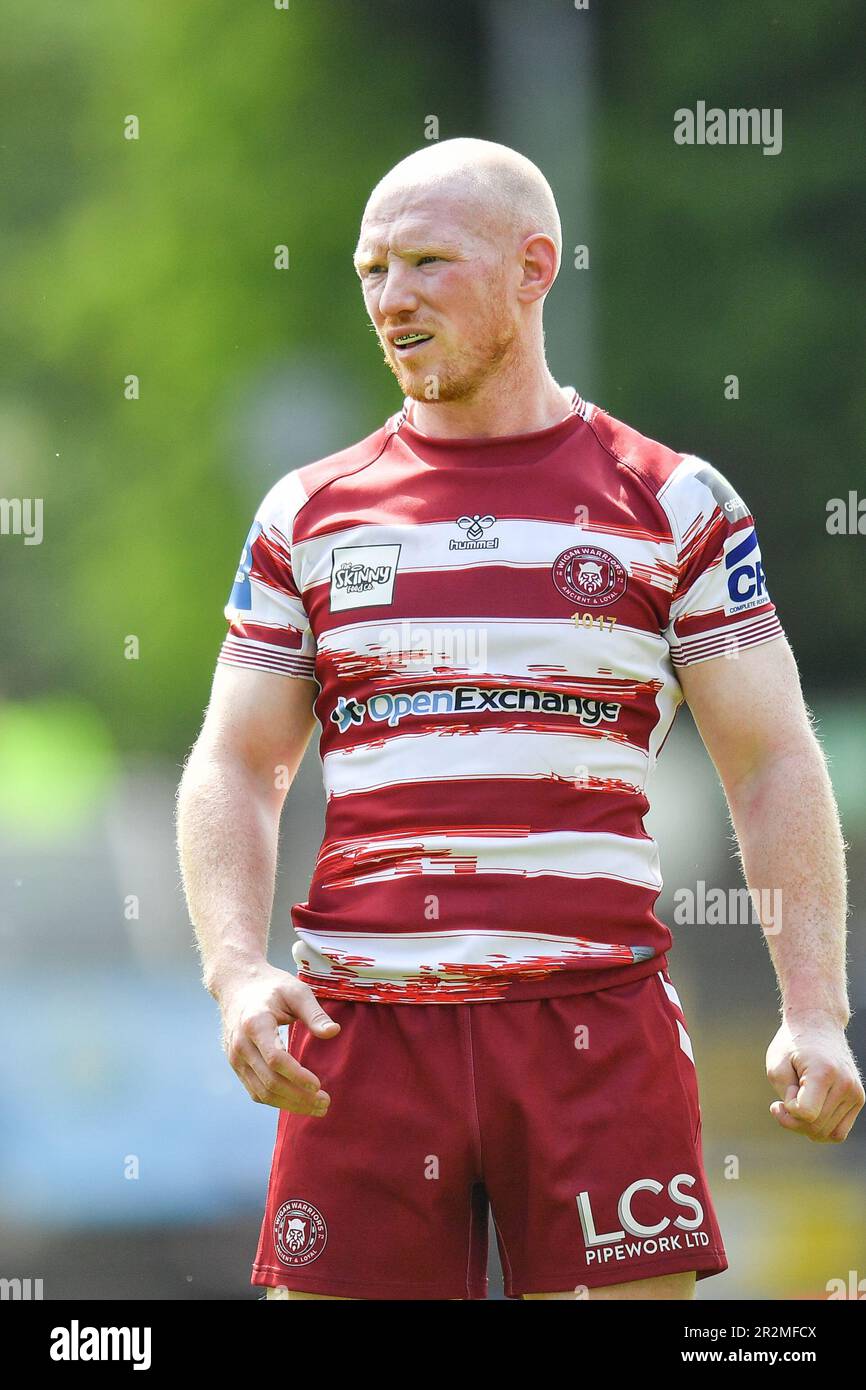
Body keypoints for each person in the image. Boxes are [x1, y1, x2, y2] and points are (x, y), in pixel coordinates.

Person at [176, 138, 863, 1301]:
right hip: (365, 1038)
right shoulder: (307, 514)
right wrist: (237, 973)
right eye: (369, 270)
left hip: (594, 1027)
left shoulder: (673, 501)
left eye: (427, 263)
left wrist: (815, 1010)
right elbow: (237, 765)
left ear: (533, 268)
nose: (390, 299)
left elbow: (771, 763)